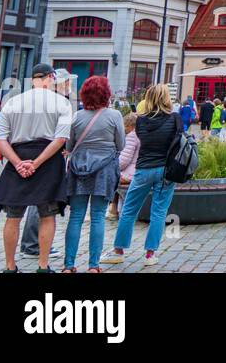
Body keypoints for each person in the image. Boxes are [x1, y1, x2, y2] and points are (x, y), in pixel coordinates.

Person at [0, 63, 72, 272]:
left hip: (17, 156)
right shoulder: (62, 103)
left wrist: (18, 163)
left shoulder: (12, 102)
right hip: (48, 160)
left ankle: (10, 267)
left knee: (13, 216)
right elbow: (60, 139)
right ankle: (43, 266)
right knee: (47, 215)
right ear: (51, 77)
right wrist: (35, 163)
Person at [103, 83, 181, 267]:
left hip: (144, 168)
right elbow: (179, 141)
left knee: (129, 209)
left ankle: (119, 250)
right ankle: (150, 254)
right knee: (159, 212)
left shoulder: (140, 120)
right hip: (166, 170)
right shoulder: (175, 118)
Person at [61, 76, 125, 272]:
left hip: (79, 169)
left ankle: (69, 264)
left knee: (76, 216)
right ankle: (93, 266)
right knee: (98, 216)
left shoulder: (77, 116)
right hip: (104, 170)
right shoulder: (114, 116)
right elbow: (120, 144)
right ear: (106, 94)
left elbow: (69, 146)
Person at [109, 113, 139, 219]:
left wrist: (114, 167)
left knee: (112, 176)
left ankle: (113, 209)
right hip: (139, 171)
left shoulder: (132, 136)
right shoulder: (142, 134)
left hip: (132, 173)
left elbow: (123, 161)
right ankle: (113, 208)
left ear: (130, 125)